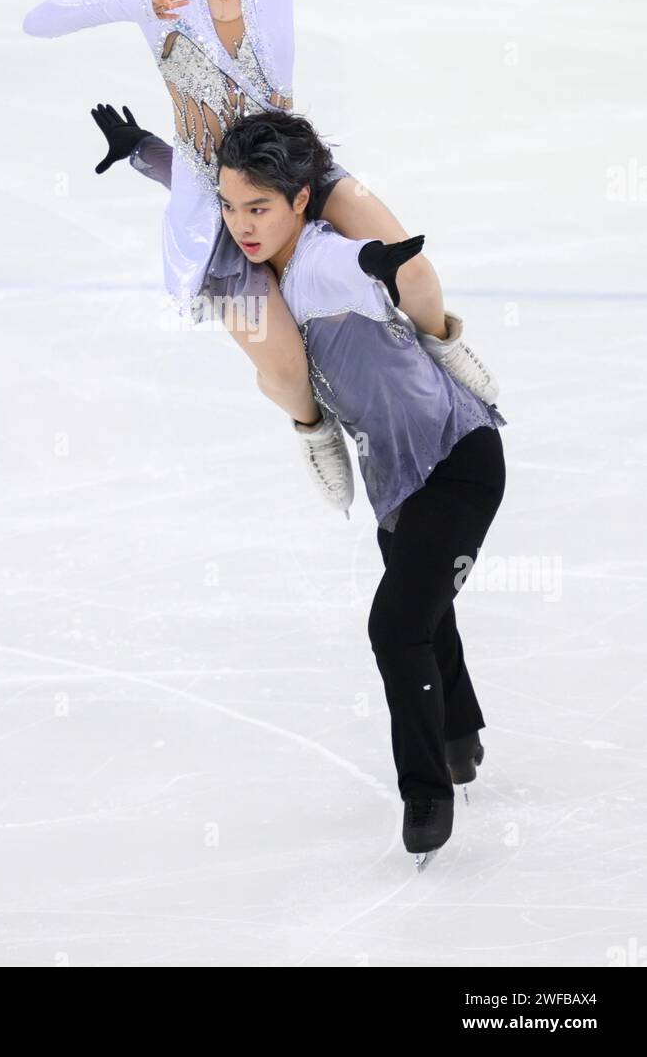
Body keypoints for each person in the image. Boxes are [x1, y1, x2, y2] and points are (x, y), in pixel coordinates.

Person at [23, 0, 497, 511]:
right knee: (281, 366)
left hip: (300, 169)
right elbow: (40, 19)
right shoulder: (156, 0)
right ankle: (313, 429)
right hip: (218, 210)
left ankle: (442, 349)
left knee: (410, 265)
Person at [210, 108, 507, 866]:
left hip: (457, 464)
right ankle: (461, 735)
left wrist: (381, 260)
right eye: (230, 206)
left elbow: (364, 262)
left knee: (396, 626)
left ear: (301, 202)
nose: (241, 225)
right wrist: (145, 153)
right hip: (397, 486)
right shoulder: (267, 271)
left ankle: (427, 791)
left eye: (259, 208)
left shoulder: (318, 263)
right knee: (426, 614)